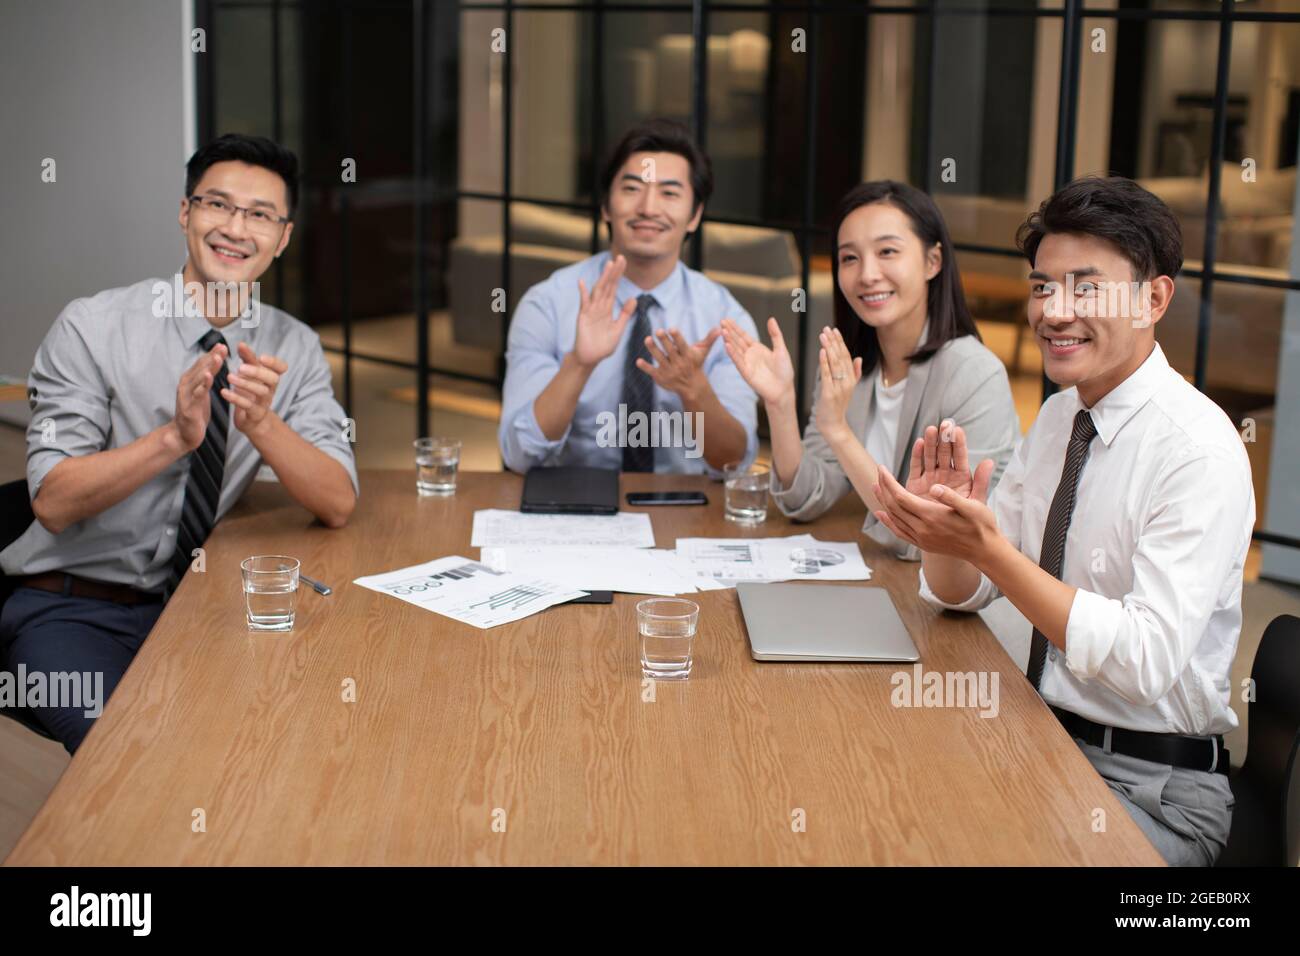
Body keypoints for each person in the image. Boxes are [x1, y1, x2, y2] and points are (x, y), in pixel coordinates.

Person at [873, 176, 1251, 865]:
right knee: (878, 799)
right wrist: (947, 532)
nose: (1053, 310)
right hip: (1039, 739)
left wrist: (993, 551)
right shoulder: (1058, 418)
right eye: (1043, 286)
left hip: (1150, 790)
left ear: (1154, 299)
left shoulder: (1197, 451)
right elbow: (968, 593)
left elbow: (1144, 662)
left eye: (1085, 286)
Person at [0, 133, 358, 753]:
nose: (235, 228)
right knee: (133, 760)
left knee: (290, 738)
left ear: (283, 238)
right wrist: (174, 437)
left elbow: (338, 502)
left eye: (259, 214)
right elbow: (53, 501)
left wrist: (262, 425)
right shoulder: (93, 326)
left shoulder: (292, 346)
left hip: (202, 606)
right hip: (73, 610)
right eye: (216, 204)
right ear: (185, 213)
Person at [721, 181, 1018, 558]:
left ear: (933, 261)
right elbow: (804, 498)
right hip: (880, 575)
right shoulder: (850, 362)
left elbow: (935, 540)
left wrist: (838, 431)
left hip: (947, 601)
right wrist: (780, 404)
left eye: (887, 251)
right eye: (849, 258)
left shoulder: (975, 375)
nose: (867, 274)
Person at [499, 118, 758, 475]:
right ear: (605, 205)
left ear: (695, 215)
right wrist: (579, 364)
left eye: (669, 193)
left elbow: (733, 463)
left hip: (684, 513)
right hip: (574, 507)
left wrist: (693, 389)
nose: (649, 208)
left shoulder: (726, 320)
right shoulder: (547, 304)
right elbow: (519, 456)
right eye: (632, 188)